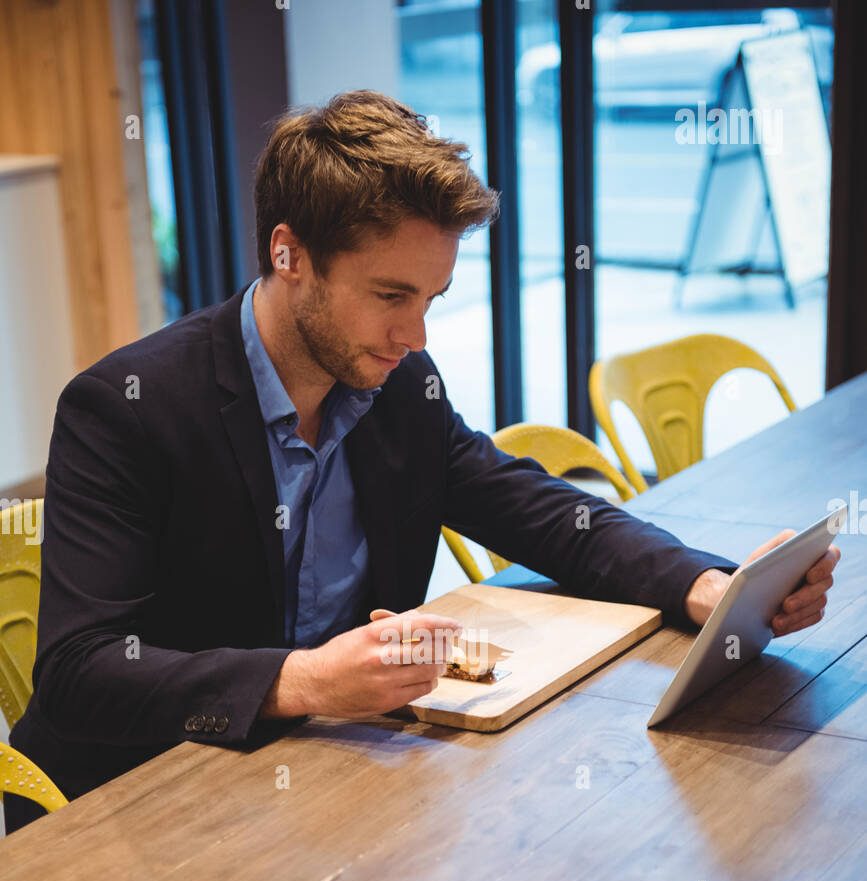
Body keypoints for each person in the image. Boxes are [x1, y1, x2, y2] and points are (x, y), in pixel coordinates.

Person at [4, 90, 839, 835]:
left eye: (432, 298)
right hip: (131, 805)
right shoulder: (127, 406)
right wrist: (302, 681)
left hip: (320, 782)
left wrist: (703, 586)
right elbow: (83, 673)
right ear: (289, 254)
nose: (416, 337)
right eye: (390, 295)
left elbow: (533, 507)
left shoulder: (398, 384)